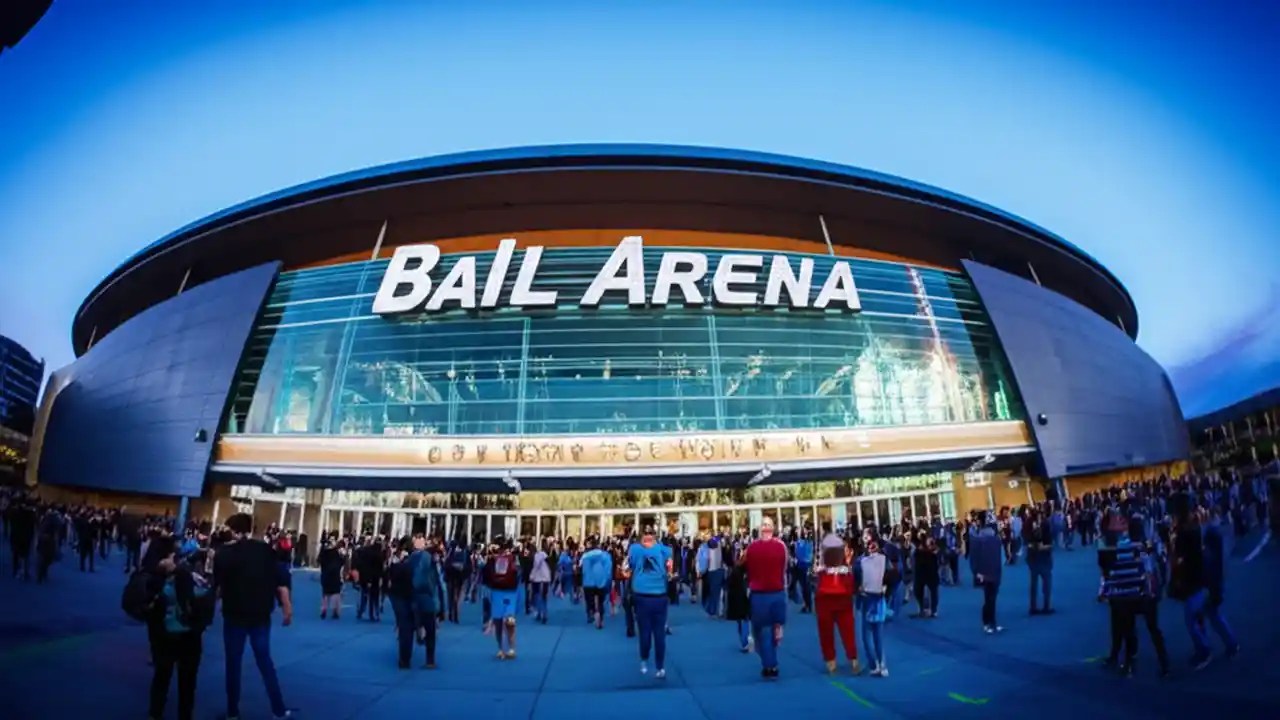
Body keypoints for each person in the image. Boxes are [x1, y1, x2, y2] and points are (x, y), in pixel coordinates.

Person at [213, 512, 295, 720]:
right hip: (260, 614)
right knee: (265, 661)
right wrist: (286, 607)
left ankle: (233, 712)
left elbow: (218, 586)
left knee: (233, 663)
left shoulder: (223, 554)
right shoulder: (266, 551)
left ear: (232, 529)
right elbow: (281, 582)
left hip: (234, 614)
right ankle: (279, 709)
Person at [148, 535, 213, 720]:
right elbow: (200, 599)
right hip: (187, 635)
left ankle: (156, 712)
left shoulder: (151, 578)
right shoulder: (186, 575)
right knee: (186, 680)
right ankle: (182, 714)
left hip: (165, 635)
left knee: (162, 676)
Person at [741, 517, 788, 679]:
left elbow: (744, 567)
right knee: (774, 629)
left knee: (761, 631)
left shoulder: (751, 548)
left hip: (759, 595)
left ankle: (769, 664)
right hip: (777, 592)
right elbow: (785, 568)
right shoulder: (781, 546)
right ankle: (771, 660)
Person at [628, 526, 673, 679]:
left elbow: (632, 564)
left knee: (645, 631)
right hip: (659, 594)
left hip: (642, 594)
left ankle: (644, 658)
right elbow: (669, 562)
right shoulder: (663, 550)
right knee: (659, 633)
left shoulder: (635, 549)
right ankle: (660, 667)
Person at [815, 533, 859, 675]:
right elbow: (852, 581)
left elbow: (815, 577)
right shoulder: (845, 567)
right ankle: (853, 660)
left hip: (824, 599)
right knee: (848, 630)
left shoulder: (822, 566)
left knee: (826, 632)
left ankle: (831, 662)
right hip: (843, 599)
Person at [408, 535, 446, 668]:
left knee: (416, 623)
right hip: (429, 599)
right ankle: (430, 660)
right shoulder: (433, 565)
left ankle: (418, 636)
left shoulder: (415, 559)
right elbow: (440, 586)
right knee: (431, 630)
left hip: (418, 597)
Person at [855, 534, 889, 676]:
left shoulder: (861, 562)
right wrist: (886, 588)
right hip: (879, 598)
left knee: (866, 635)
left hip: (868, 598)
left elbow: (856, 580)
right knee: (878, 634)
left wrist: (859, 590)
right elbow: (893, 575)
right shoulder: (884, 560)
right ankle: (882, 664)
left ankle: (873, 664)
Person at [484, 538, 522, 659]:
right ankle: (511, 648)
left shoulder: (492, 559)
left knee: (498, 621)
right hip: (510, 591)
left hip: (496, 591)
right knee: (510, 620)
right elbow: (518, 574)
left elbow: (485, 575)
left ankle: (500, 648)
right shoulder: (513, 558)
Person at [968, 512, 1004, 634]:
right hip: (986, 572)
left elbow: (998, 556)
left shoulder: (993, 538)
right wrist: (977, 572)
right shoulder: (979, 539)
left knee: (991, 598)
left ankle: (991, 622)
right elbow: (974, 558)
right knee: (989, 598)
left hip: (993, 571)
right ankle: (988, 622)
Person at [580, 538, 613, 628]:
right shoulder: (605, 555)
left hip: (588, 582)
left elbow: (581, 568)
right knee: (601, 602)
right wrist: (608, 580)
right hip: (601, 581)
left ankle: (594, 613)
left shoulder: (585, 556)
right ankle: (600, 617)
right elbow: (608, 569)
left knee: (590, 601)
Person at [725, 562, 752, 653]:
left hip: (737, 598)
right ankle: (746, 641)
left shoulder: (736, 571)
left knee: (741, 620)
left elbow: (728, 584)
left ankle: (745, 641)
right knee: (745, 619)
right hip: (745, 597)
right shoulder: (749, 572)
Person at [317, 539, 344, 619]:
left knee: (325, 593)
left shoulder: (324, 552)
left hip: (325, 574)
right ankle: (335, 611)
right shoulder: (336, 553)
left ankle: (324, 609)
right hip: (335, 575)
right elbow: (342, 562)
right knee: (336, 593)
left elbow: (319, 561)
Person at [530, 542, 552, 624]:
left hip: (538, 579)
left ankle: (542, 614)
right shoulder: (543, 554)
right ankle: (542, 613)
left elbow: (536, 566)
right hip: (546, 578)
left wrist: (532, 576)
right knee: (543, 597)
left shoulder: (537, 556)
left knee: (538, 596)